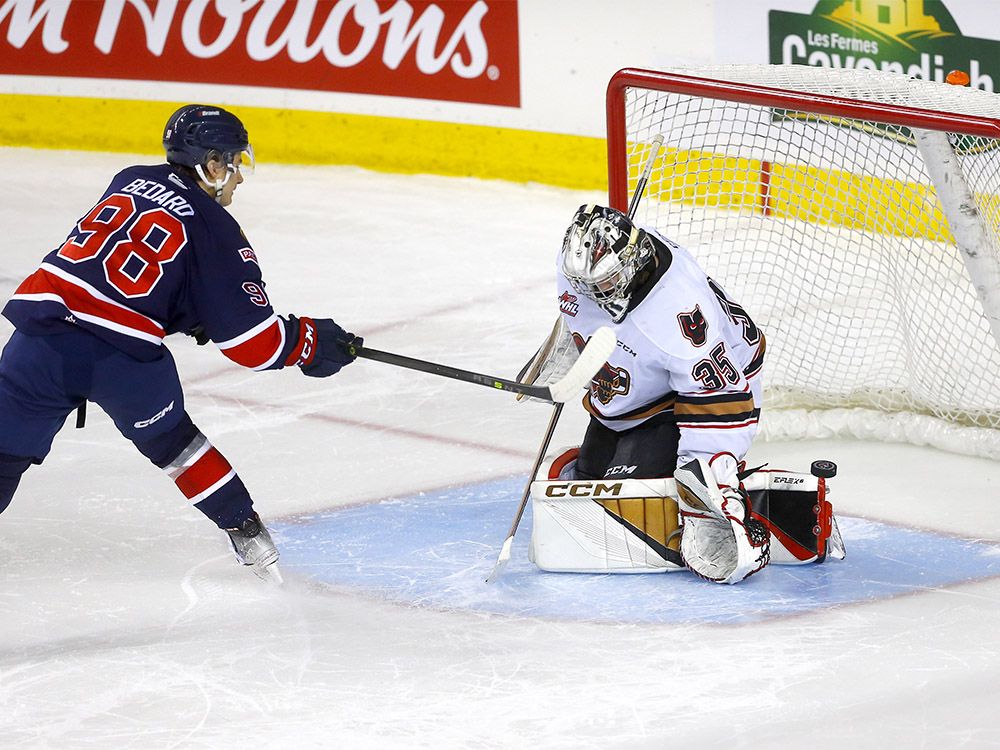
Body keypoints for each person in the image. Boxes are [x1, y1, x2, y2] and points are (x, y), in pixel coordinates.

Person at [0, 105, 359, 581]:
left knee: (2, 454)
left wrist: (188, 308)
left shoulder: (129, 178)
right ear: (212, 165)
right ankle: (247, 534)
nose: (239, 177)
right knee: (175, 444)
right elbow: (254, 343)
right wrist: (311, 342)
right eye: (235, 162)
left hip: (41, 334)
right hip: (121, 358)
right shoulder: (216, 228)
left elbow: (118, 269)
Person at [519, 204, 771, 583]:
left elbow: (724, 400)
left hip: (696, 393)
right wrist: (576, 338)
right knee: (585, 491)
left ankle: (721, 485)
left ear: (634, 262)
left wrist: (706, 479)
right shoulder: (578, 264)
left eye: (605, 284)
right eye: (587, 286)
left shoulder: (678, 317)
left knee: (618, 507)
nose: (596, 295)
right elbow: (583, 304)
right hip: (636, 387)